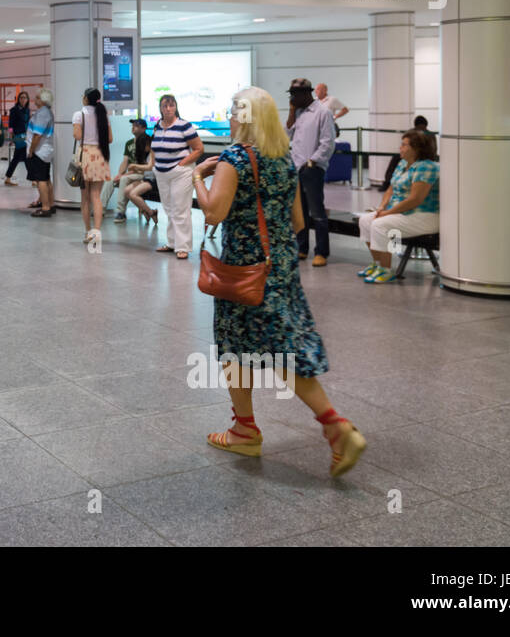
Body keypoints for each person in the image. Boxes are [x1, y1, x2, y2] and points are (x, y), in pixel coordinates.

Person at [192, 86, 366, 478]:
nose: (230, 117)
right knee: (269, 343)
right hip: (282, 264)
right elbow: (299, 222)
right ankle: (245, 428)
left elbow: (214, 212)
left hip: (245, 269)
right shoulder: (282, 159)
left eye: (233, 111)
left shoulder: (233, 159)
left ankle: (333, 426)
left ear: (245, 117)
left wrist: (197, 176)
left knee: (254, 347)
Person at [357, 129, 439, 283]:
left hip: (425, 215)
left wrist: (388, 214)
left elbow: (415, 199)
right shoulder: (403, 163)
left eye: (404, 145)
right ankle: (377, 264)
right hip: (403, 213)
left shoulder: (427, 167)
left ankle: (386, 270)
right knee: (365, 220)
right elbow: (391, 188)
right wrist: (382, 207)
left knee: (380, 224)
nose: (400, 148)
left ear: (416, 148)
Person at [287, 78, 335, 267]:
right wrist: (291, 111)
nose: (292, 98)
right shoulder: (298, 112)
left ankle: (322, 252)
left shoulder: (323, 112)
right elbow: (287, 133)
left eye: (294, 95)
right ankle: (302, 248)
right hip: (296, 166)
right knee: (300, 211)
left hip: (312, 168)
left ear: (306, 94)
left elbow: (328, 142)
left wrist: (312, 161)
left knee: (317, 212)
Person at [150, 94, 204, 259]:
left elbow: (198, 149)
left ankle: (183, 247)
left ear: (176, 107)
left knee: (180, 209)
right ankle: (172, 243)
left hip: (180, 173)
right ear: (160, 108)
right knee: (168, 209)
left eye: (171, 105)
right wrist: (153, 164)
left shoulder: (184, 126)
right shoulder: (157, 126)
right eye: (165, 106)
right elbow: (154, 147)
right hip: (161, 172)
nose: (168, 109)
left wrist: (182, 163)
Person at [72, 88, 112, 242]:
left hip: (85, 157)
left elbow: (77, 135)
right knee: (96, 196)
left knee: (85, 198)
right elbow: (109, 138)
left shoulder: (79, 114)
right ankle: (96, 232)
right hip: (100, 156)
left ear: (86, 99)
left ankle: (88, 231)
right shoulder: (103, 114)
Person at [105, 117, 156, 225]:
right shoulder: (129, 143)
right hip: (133, 173)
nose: (133, 127)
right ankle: (100, 208)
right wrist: (120, 173)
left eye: (136, 125)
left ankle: (120, 212)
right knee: (111, 180)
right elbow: (125, 162)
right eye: (132, 125)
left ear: (144, 128)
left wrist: (129, 172)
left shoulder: (147, 141)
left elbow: (147, 166)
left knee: (124, 179)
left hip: (143, 174)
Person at [380, 115, 434, 190]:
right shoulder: (431, 134)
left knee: (395, 158)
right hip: (429, 156)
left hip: (418, 156)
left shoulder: (412, 132)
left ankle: (387, 182)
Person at [27, 88, 56, 217]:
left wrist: (31, 150)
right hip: (45, 150)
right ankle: (51, 204)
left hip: (40, 151)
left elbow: (37, 135)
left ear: (43, 100)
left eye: (38, 97)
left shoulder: (42, 113)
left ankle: (45, 207)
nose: (35, 99)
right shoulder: (46, 112)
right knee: (46, 179)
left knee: (41, 180)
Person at [3, 90, 31, 186]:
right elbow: (10, 125)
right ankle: (34, 178)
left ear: (27, 99)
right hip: (18, 136)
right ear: (18, 99)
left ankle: (8, 177)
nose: (23, 99)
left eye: (25, 98)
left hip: (26, 136)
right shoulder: (14, 110)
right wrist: (11, 136)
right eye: (21, 97)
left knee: (17, 157)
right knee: (25, 156)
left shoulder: (27, 110)